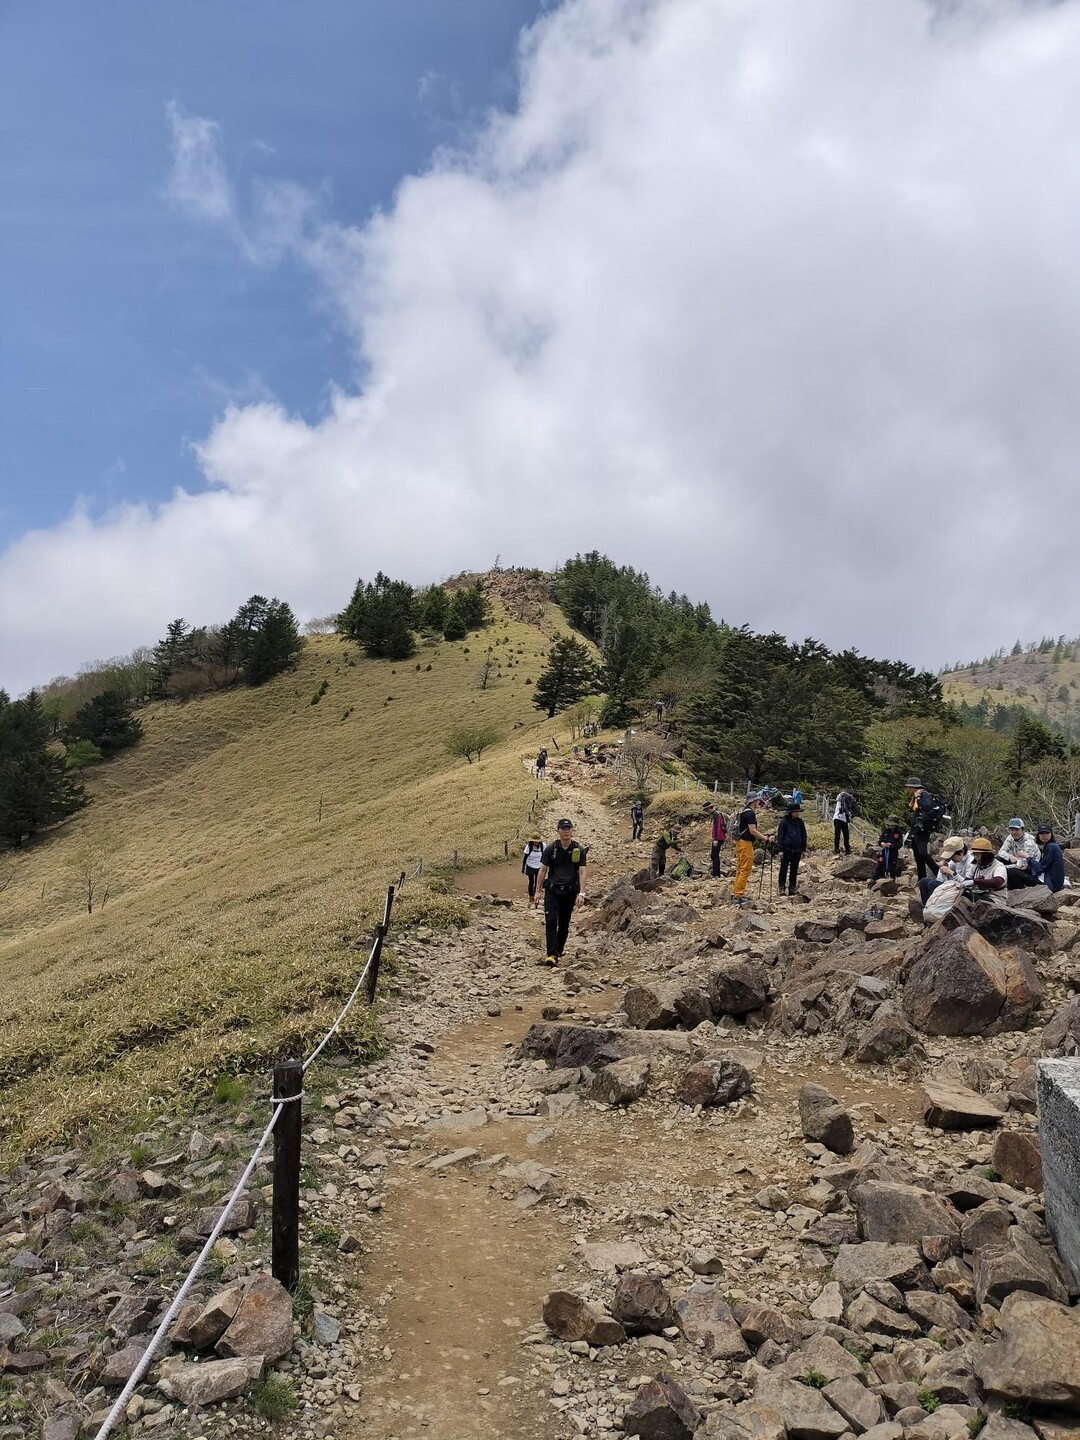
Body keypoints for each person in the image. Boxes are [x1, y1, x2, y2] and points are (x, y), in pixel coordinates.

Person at [533, 818, 587, 966]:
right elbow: (543, 869)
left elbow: (582, 872)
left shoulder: (579, 850)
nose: (566, 831)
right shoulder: (551, 849)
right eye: (563, 829)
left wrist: (582, 893)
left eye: (568, 828)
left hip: (569, 891)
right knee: (551, 921)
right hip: (552, 890)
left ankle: (559, 949)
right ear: (558, 831)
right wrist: (537, 891)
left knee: (564, 924)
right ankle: (552, 955)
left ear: (572, 831)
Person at [733, 793, 773, 907]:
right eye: (758, 801)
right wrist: (765, 838)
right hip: (746, 843)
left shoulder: (743, 811)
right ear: (753, 801)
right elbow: (753, 830)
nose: (759, 803)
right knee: (745, 869)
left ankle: (737, 893)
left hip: (740, 842)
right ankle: (738, 895)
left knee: (740, 868)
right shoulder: (750, 813)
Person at [918, 836, 967, 905]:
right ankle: (926, 907)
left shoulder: (970, 862)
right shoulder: (954, 861)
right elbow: (940, 880)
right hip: (952, 886)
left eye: (952, 856)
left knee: (932, 884)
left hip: (961, 890)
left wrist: (952, 873)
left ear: (961, 852)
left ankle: (934, 907)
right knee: (923, 882)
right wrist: (943, 870)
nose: (951, 859)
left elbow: (967, 883)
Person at [904, 778, 936, 882]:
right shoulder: (915, 797)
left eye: (909, 787)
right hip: (916, 830)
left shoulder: (923, 795)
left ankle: (937, 871)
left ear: (914, 787)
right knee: (917, 855)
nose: (908, 789)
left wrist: (918, 797)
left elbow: (927, 806)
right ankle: (922, 879)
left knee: (922, 852)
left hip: (923, 830)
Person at [960, 836, 1009, 905]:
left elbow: (998, 881)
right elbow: (967, 879)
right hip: (979, 893)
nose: (976, 856)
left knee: (967, 897)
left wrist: (975, 881)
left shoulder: (998, 866)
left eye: (978, 854)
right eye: (974, 854)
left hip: (995, 899)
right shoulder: (974, 865)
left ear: (986, 854)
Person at [776, 801, 807, 897]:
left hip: (797, 849)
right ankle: (781, 887)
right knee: (784, 868)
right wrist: (780, 850)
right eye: (796, 811)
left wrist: (803, 849)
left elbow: (804, 835)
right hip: (786, 848)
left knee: (794, 869)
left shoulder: (800, 822)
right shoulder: (784, 822)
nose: (797, 813)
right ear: (791, 812)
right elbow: (780, 836)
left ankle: (792, 887)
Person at [997, 818, 1039, 889]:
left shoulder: (1029, 842)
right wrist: (1009, 856)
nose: (1013, 832)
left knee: (1010, 872)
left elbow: (1024, 864)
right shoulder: (1011, 837)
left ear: (1022, 830)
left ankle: (1018, 890)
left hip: (1031, 870)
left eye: (1016, 830)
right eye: (1011, 830)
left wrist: (1003, 867)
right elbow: (1001, 852)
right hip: (1018, 861)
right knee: (997, 860)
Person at [1030, 823, 1066, 893]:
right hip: (1052, 881)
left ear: (1051, 834)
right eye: (1041, 833)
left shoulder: (1051, 847)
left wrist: (1028, 858)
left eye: (1047, 833)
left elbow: (1041, 868)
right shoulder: (1050, 845)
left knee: (1015, 873)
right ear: (1038, 835)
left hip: (1051, 884)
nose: (1044, 835)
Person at [870, 817, 905, 888]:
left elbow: (900, 844)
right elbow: (880, 840)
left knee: (892, 868)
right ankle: (874, 882)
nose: (891, 826)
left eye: (893, 825)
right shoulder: (886, 831)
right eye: (890, 825)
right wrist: (882, 843)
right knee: (880, 865)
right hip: (884, 852)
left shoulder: (898, 833)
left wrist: (891, 845)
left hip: (893, 853)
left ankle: (892, 885)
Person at [706, 804, 727, 877]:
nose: (706, 812)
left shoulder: (716, 814)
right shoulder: (718, 813)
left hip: (718, 838)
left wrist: (715, 839)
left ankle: (716, 873)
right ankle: (715, 872)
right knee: (715, 855)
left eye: (706, 810)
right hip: (720, 837)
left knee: (714, 855)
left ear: (709, 808)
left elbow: (717, 827)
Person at [521, 833, 545, 900]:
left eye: (537, 841)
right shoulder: (529, 846)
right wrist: (523, 868)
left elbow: (546, 856)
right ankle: (531, 895)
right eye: (534, 841)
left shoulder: (543, 846)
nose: (536, 843)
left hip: (539, 866)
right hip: (530, 865)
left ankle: (536, 894)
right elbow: (525, 857)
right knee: (531, 881)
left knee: (538, 881)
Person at [833, 790, 855, 856]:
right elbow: (838, 797)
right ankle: (836, 849)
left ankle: (847, 849)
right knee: (837, 835)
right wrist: (845, 794)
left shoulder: (848, 804)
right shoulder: (840, 799)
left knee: (846, 835)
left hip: (844, 820)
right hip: (837, 818)